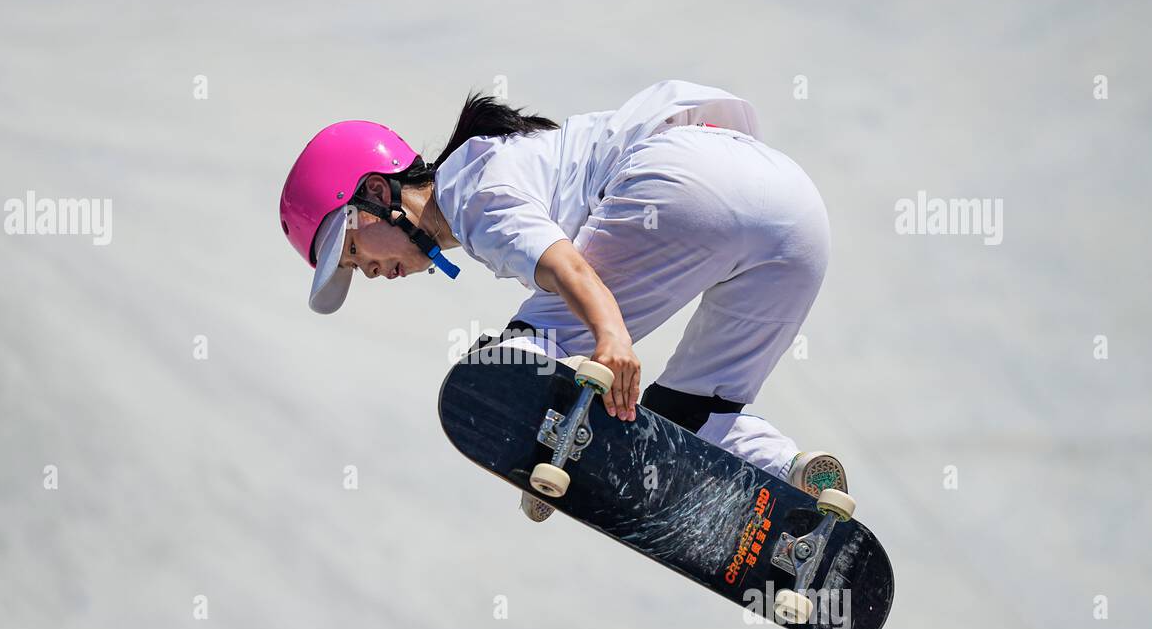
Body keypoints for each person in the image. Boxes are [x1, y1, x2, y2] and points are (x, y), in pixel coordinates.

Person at [280, 80, 847, 521]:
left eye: (353, 250)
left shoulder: (473, 194)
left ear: (378, 191)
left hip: (682, 184)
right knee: (695, 412)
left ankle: (561, 439)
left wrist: (611, 338)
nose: (370, 272)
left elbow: (563, 266)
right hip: (793, 211)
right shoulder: (503, 158)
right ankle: (798, 476)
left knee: (512, 363)